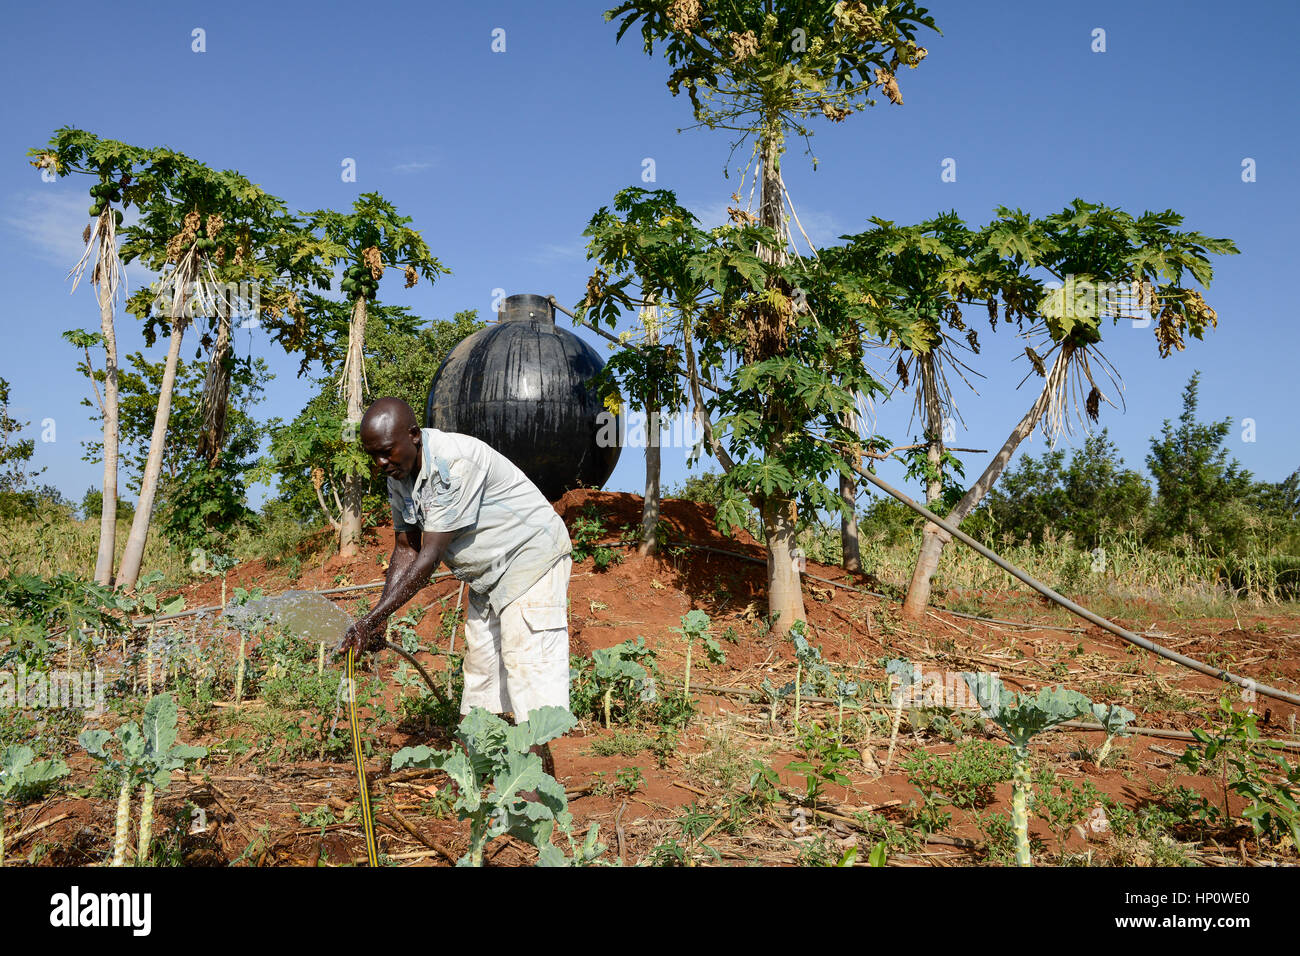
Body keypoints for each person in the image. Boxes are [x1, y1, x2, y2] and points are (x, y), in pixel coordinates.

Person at [337, 397, 573, 770]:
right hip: (488, 575)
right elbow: (405, 548)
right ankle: (467, 774)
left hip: (530, 557)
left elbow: (428, 557)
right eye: (374, 456)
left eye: (385, 453)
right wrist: (378, 617)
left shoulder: (452, 463)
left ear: (413, 436)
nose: (380, 463)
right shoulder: (400, 473)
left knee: (526, 665)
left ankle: (536, 782)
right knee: (480, 672)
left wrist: (371, 618)